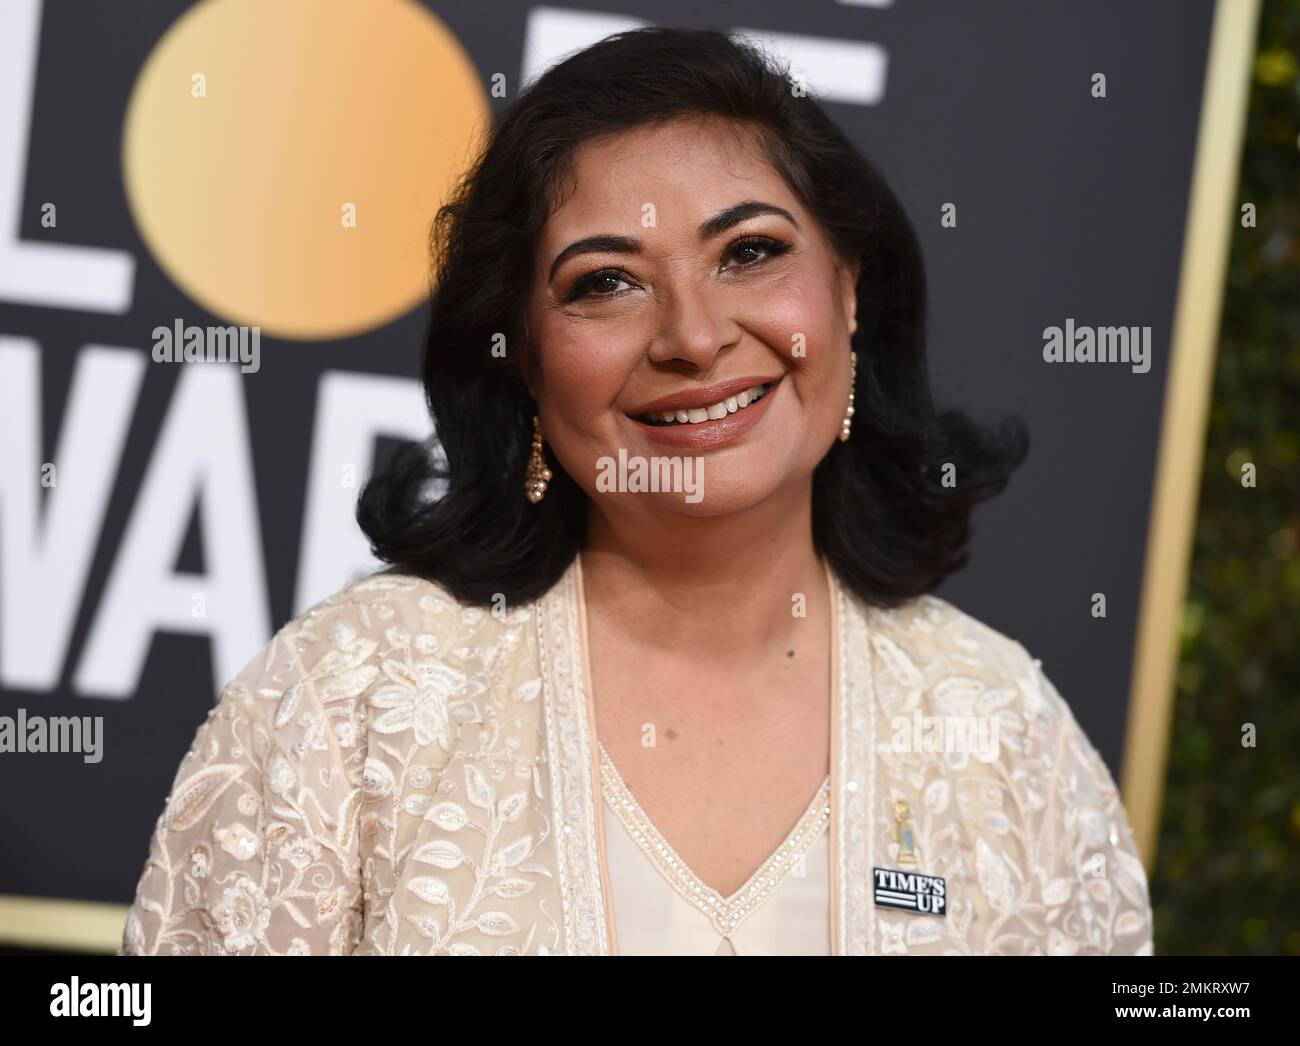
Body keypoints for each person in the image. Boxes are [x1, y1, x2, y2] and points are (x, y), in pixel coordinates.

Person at [119, 26, 1153, 956]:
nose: (694, 336)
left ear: (849, 295)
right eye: (604, 281)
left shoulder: (1004, 730)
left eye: (749, 253)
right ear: (522, 357)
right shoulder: (349, 702)